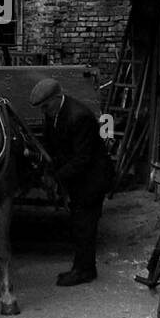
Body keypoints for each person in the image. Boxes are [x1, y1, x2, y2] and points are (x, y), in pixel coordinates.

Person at [30, 78, 114, 287]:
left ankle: (85, 271)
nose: (44, 111)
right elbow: (56, 148)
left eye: (46, 106)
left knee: (86, 226)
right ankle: (81, 267)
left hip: (92, 179)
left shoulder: (79, 117)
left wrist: (56, 176)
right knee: (79, 224)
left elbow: (82, 159)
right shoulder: (54, 115)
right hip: (79, 178)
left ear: (57, 99)